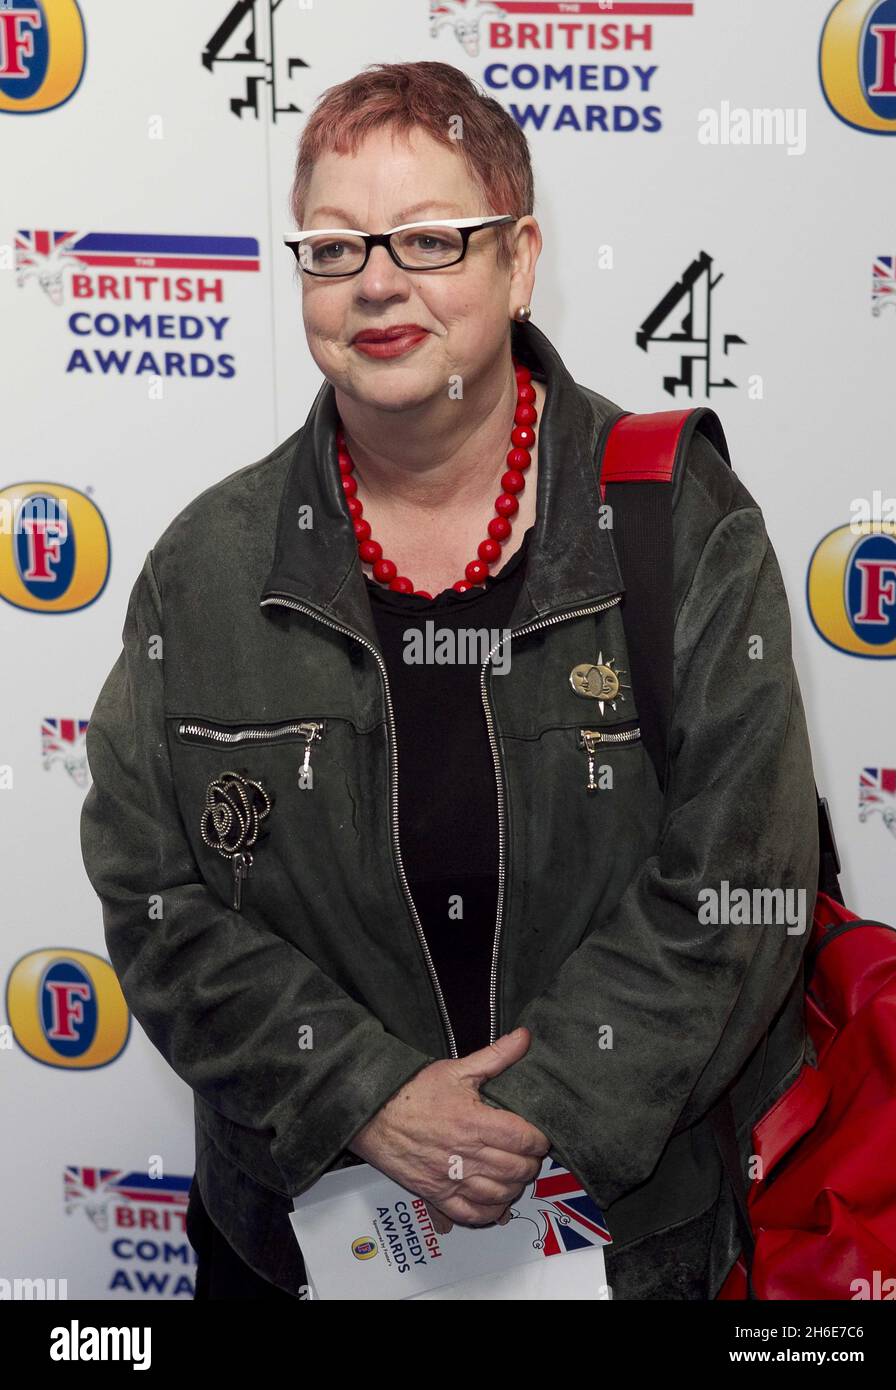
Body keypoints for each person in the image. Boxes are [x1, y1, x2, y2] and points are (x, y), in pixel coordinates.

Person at [79, 60, 819, 1301]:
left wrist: (529, 1109)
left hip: (629, 1247)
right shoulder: (203, 568)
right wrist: (363, 1095)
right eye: (333, 246)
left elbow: (742, 884)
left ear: (518, 259)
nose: (376, 281)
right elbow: (154, 894)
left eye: (430, 238)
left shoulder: (678, 524)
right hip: (294, 1251)